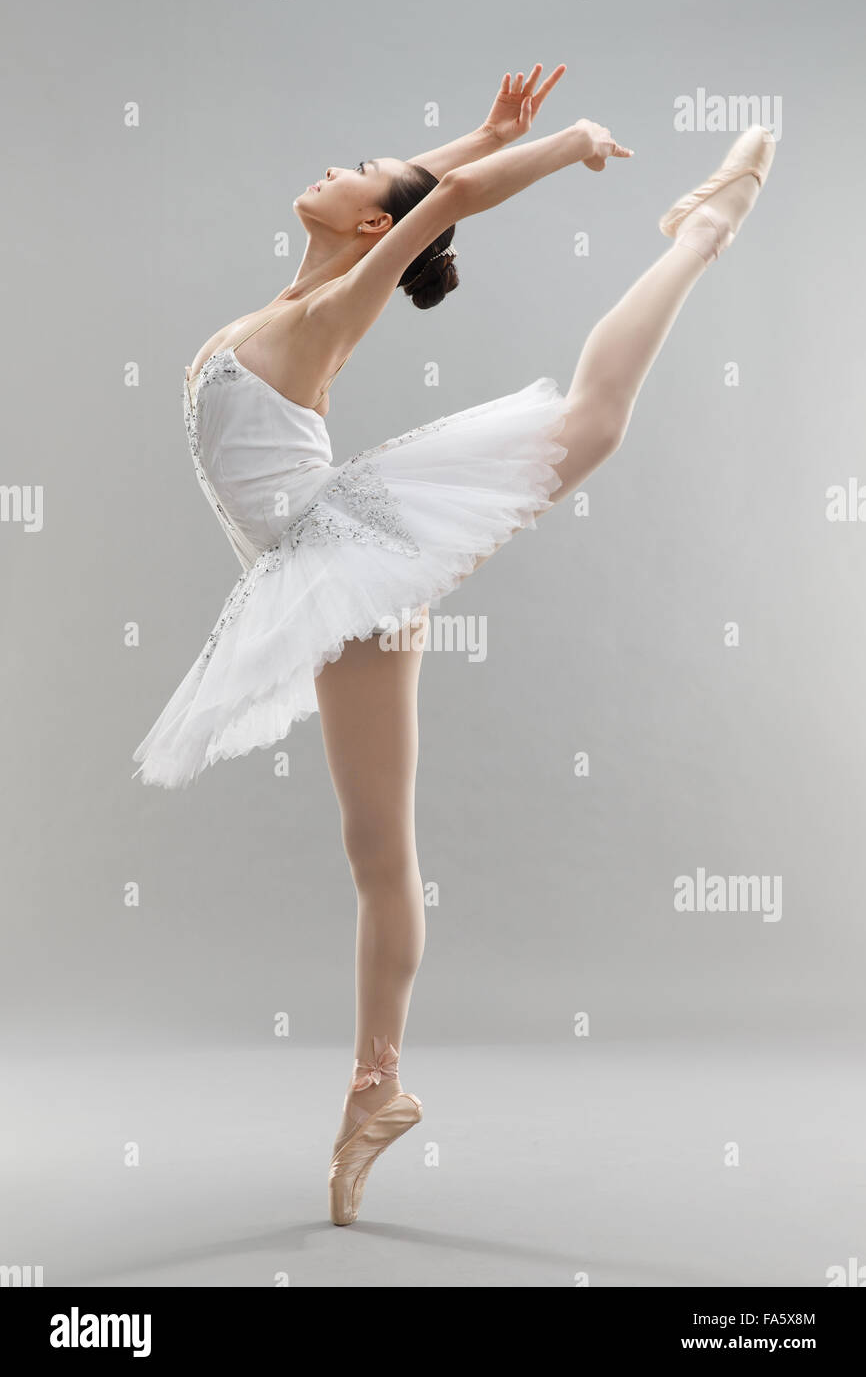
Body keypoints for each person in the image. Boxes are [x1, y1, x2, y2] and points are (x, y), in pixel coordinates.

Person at [131, 66, 775, 1224]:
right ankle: (375, 1088)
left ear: (371, 226)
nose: (332, 165)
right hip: (320, 568)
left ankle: (704, 232)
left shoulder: (332, 307)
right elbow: (417, 189)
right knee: (374, 848)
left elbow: (436, 205)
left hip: (352, 563)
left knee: (586, 425)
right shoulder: (295, 292)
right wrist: (481, 130)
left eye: (353, 173)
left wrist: (567, 142)